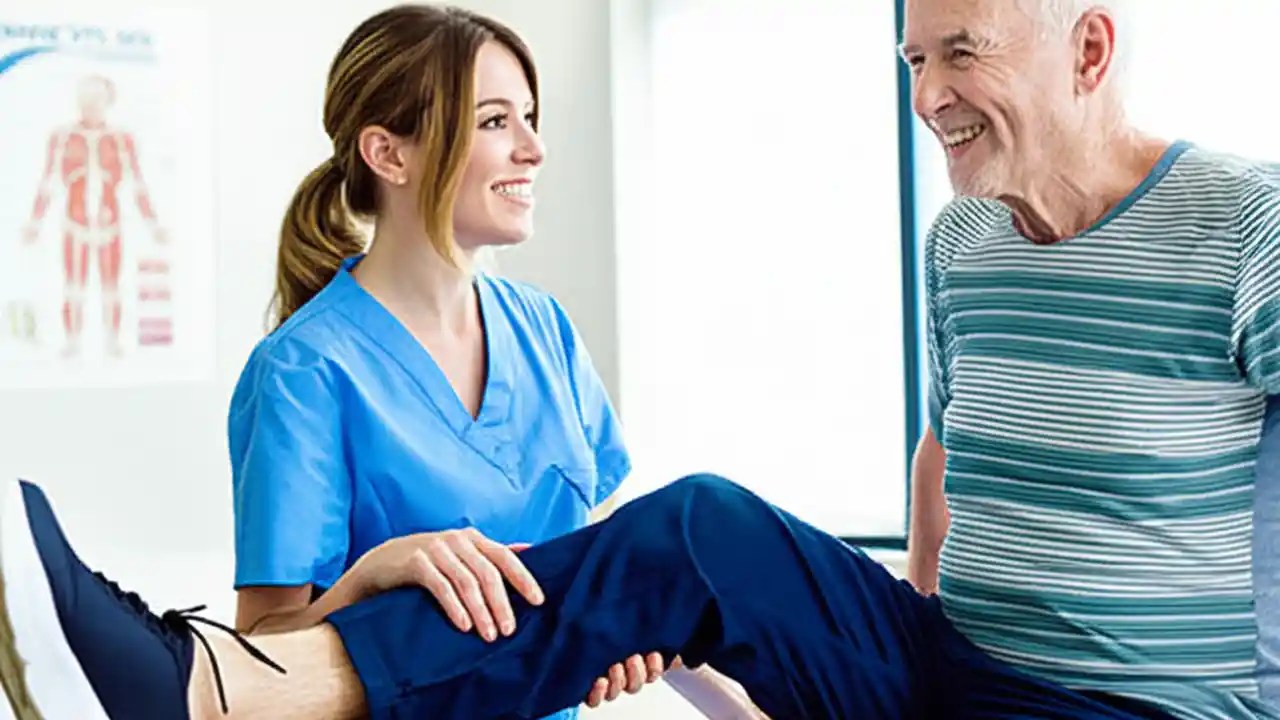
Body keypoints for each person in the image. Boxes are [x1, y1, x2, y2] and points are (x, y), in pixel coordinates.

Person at [222, 5, 696, 715]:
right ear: (389, 155)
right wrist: (371, 577)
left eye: (529, 118)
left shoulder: (545, 330)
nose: (533, 149)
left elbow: (607, 566)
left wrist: (637, 642)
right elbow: (255, 658)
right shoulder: (304, 372)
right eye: (495, 122)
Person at [898, 0, 1279, 717]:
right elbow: (942, 450)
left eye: (962, 53)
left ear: (1088, 53)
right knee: (700, 529)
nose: (926, 97)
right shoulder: (959, 238)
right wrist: (910, 667)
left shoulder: (1248, 225)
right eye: (916, 61)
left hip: (1141, 704)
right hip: (960, 671)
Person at [22, 74, 167, 358]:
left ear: (107, 101)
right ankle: (72, 340)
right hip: (74, 223)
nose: (89, 105)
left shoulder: (121, 139)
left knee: (111, 285)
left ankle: (112, 340)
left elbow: (137, 184)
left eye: (96, 99)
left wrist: (153, 224)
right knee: (74, 286)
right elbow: (48, 181)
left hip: (109, 224)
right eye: (85, 98)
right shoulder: (63, 137)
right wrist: (35, 222)